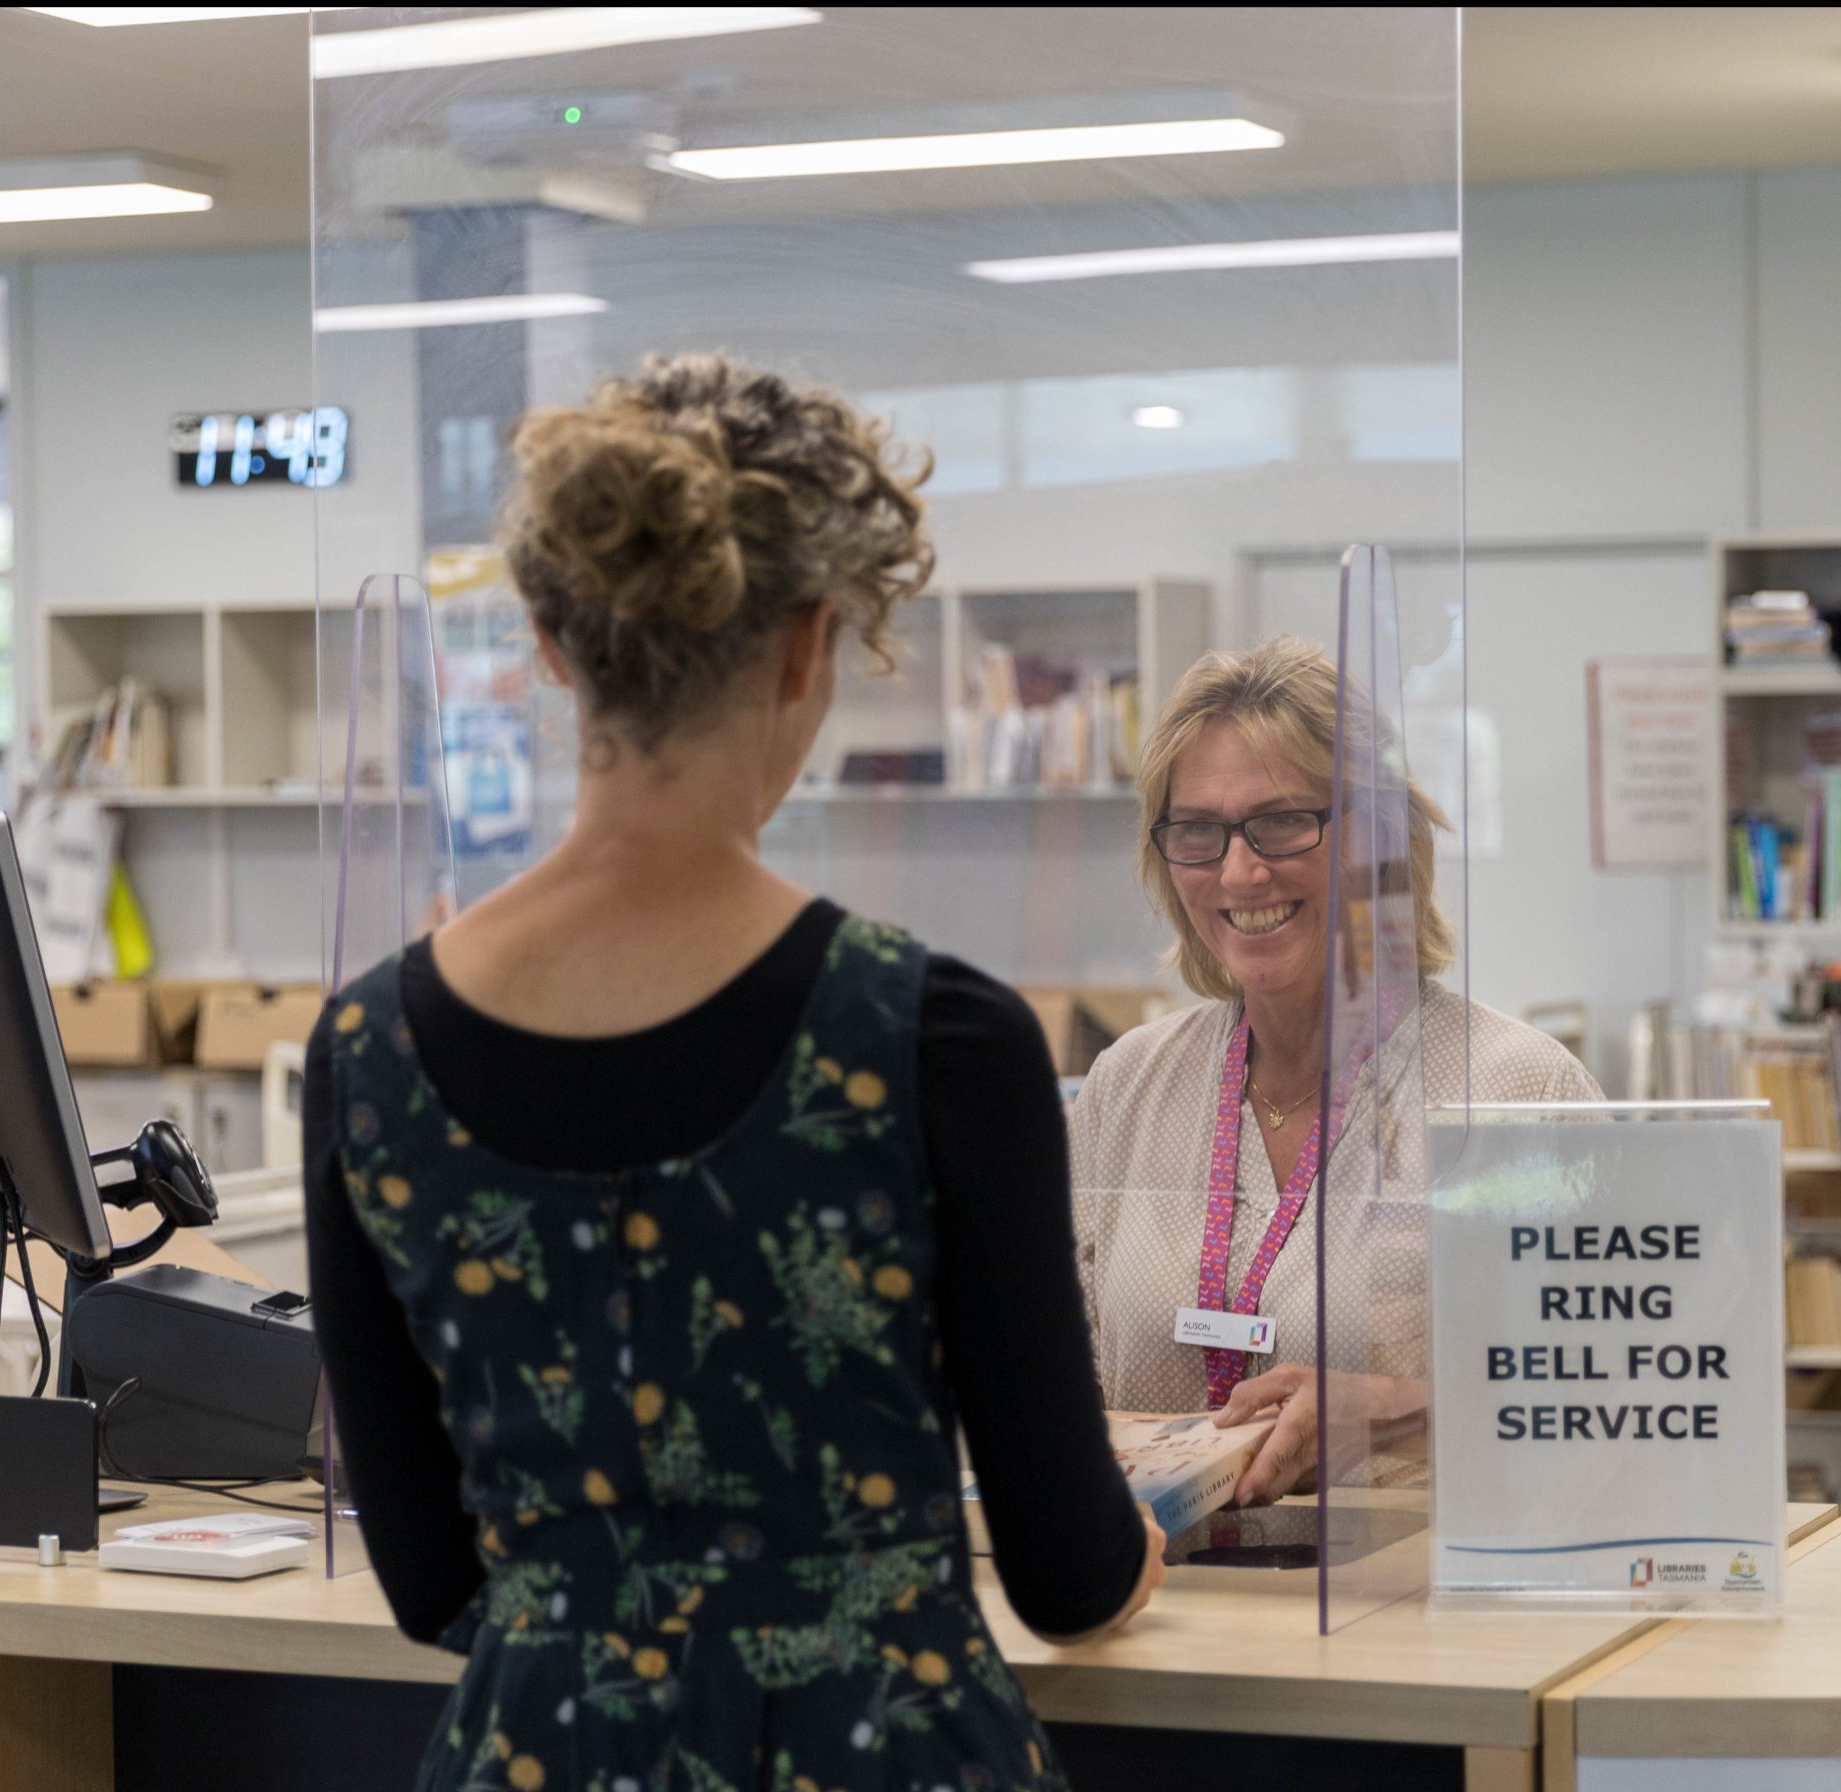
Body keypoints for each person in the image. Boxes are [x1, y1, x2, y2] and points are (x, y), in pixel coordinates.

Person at [304, 353, 1161, 1792]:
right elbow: (1070, 1574)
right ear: (804, 647)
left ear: (553, 646)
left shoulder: (370, 1054)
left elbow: (429, 1580)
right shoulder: (932, 1040)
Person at [1065, 638, 1603, 1507]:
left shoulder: (1520, 1096)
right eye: (1199, 832)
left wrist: (1391, 1413)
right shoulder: (1127, 1089)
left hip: (1403, 1614)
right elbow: (1058, 1380)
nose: (1242, 871)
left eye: (1281, 821)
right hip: (1162, 1604)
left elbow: (1609, 1402)